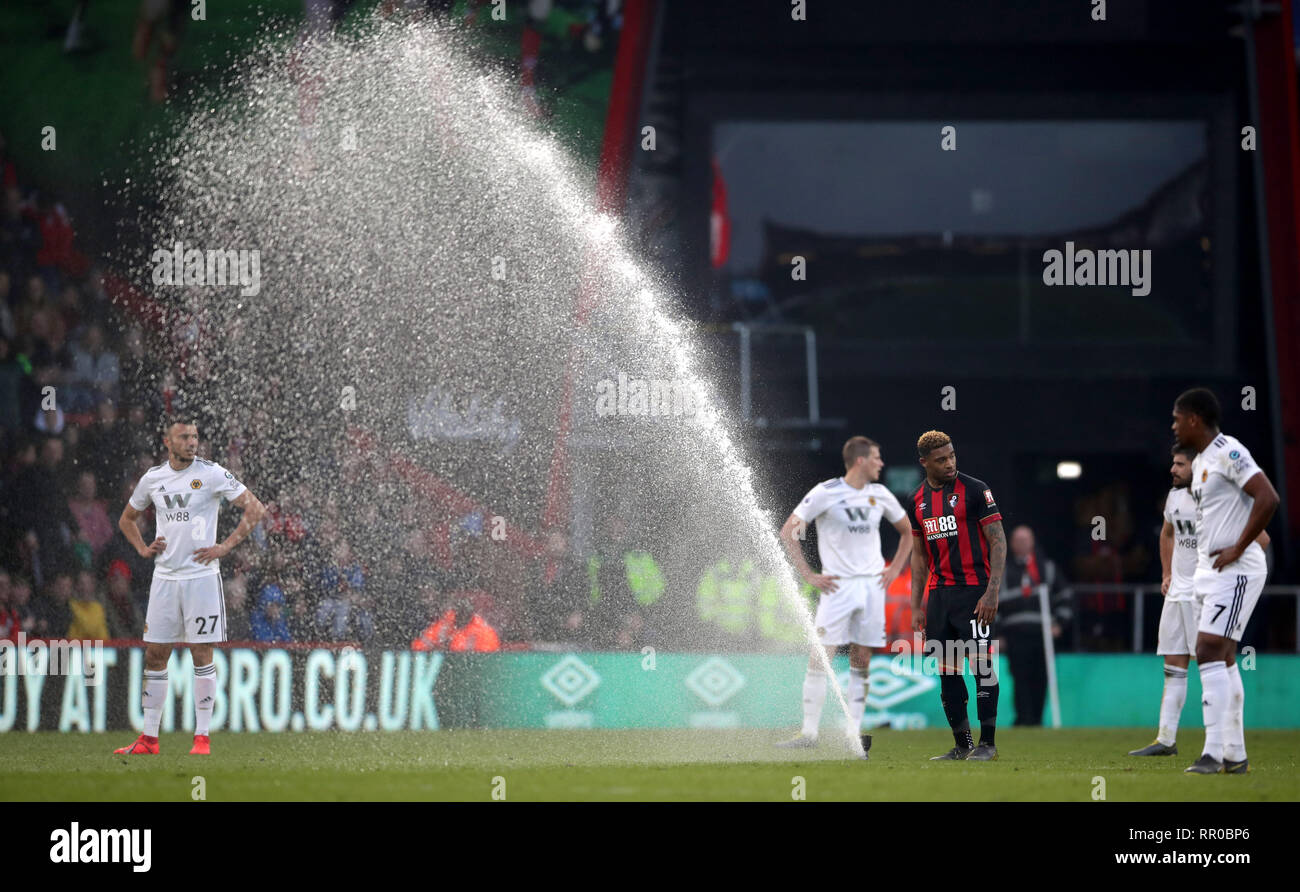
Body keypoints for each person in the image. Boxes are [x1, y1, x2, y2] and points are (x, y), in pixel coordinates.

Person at [112, 418, 264, 756]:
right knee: (155, 654)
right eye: (184, 437)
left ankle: (202, 737)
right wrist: (141, 548)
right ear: (168, 442)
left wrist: (225, 546)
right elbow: (126, 519)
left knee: (201, 654)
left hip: (201, 579)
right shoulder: (153, 478)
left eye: (195, 436)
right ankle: (149, 739)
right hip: (165, 578)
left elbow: (256, 508)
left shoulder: (212, 473)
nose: (192, 442)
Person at [775, 435, 912, 757]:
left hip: (872, 587)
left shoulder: (880, 494)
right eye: (877, 458)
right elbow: (788, 530)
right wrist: (808, 574)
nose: (881, 463)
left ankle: (854, 734)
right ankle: (809, 732)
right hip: (837, 587)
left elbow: (908, 531)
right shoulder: (826, 491)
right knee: (821, 654)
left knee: (861, 658)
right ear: (861, 461)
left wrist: (894, 570)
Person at [1171, 388, 1279, 774]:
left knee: (1208, 648)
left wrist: (1238, 547)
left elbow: (1267, 497)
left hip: (1235, 570)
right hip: (1209, 570)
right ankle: (1235, 756)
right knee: (1224, 657)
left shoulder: (1229, 451)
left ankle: (1213, 753)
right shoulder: (1201, 462)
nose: (1174, 425)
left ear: (1194, 419)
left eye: (1177, 418)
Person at [908, 430, 1005, 761]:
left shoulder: (976, 490)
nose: (949, 463)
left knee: (982, 668)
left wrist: (992, 593)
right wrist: (916, 606)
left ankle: (988, 744)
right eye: (941, 460)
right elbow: (919, 556)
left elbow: (998, 541)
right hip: (939, 598)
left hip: (975, 594)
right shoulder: (917, 500)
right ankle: (963, 744)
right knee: (948, 673)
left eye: (952, 456)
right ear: (924, 463)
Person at [999, 525, 1067, 726]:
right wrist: (998, 634)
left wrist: (1060, 624)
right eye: (1017, 540)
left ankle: (1036, 721)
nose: (1022, 544)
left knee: (1041, 678)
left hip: (1042, 634)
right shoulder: (1002, 572)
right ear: (1011, 544)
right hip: (1015, 635)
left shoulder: (1048, 568)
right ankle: (1024, 720)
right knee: (1020, 679)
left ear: (1033, 541)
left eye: (1025, 539)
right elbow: (994, 606)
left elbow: (1066, 598)